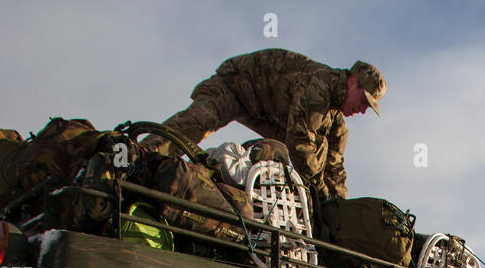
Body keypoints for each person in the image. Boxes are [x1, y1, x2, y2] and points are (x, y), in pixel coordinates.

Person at [148, 49, 386, 201]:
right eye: (364, 100)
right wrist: (319, 193)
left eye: (369, 106)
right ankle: (139, 157)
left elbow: (335, 167)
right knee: (200, 121)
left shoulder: (336, 123)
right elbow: (300, 143)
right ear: (352, 81)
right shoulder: (319, 87)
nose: (363, 109)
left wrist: (338, 206)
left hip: (265, 113)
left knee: (320, 147)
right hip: (236, 87)